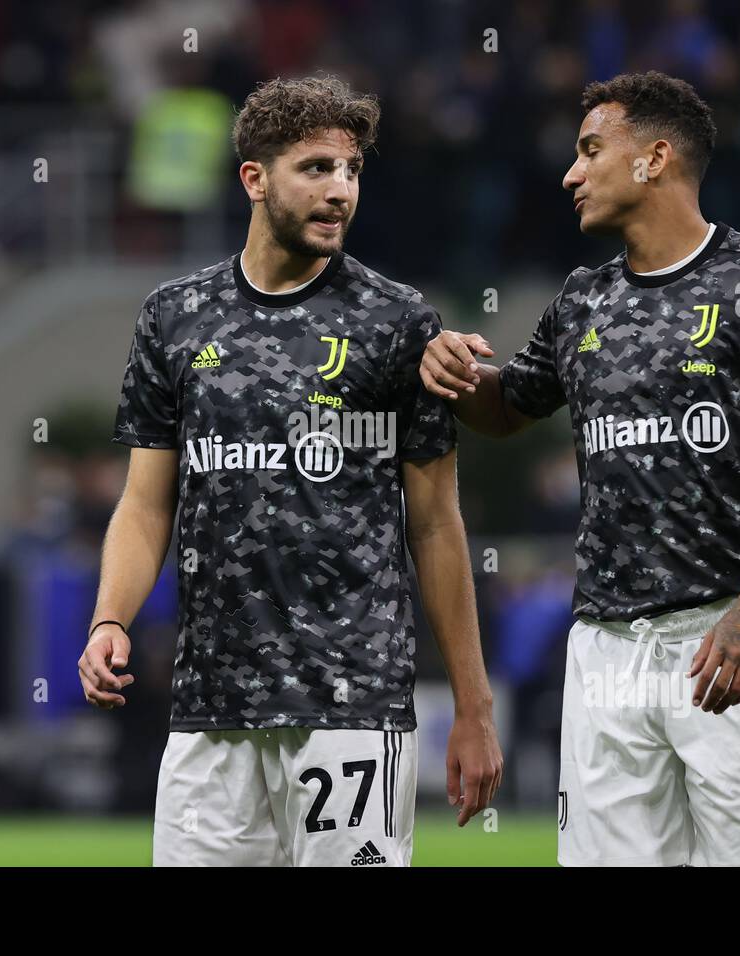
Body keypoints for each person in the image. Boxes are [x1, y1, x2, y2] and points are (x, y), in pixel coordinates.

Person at [420, 71, 740, 867]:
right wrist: (451, 367)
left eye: (589, 151)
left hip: (725, 634)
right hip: (605, 650)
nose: (570, 174)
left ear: (654, 158)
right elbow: (508, 406)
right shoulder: (582, 301)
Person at [81, 75, 502, 867]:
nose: (340, 190)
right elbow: (144, 506)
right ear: (254, 178)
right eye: (315, 168)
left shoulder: (396, 322)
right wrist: (110, 620)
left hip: (352, 704)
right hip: (211, 713)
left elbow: (436, 525)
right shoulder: (174, 318)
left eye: (351, 172)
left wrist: (473, 707)